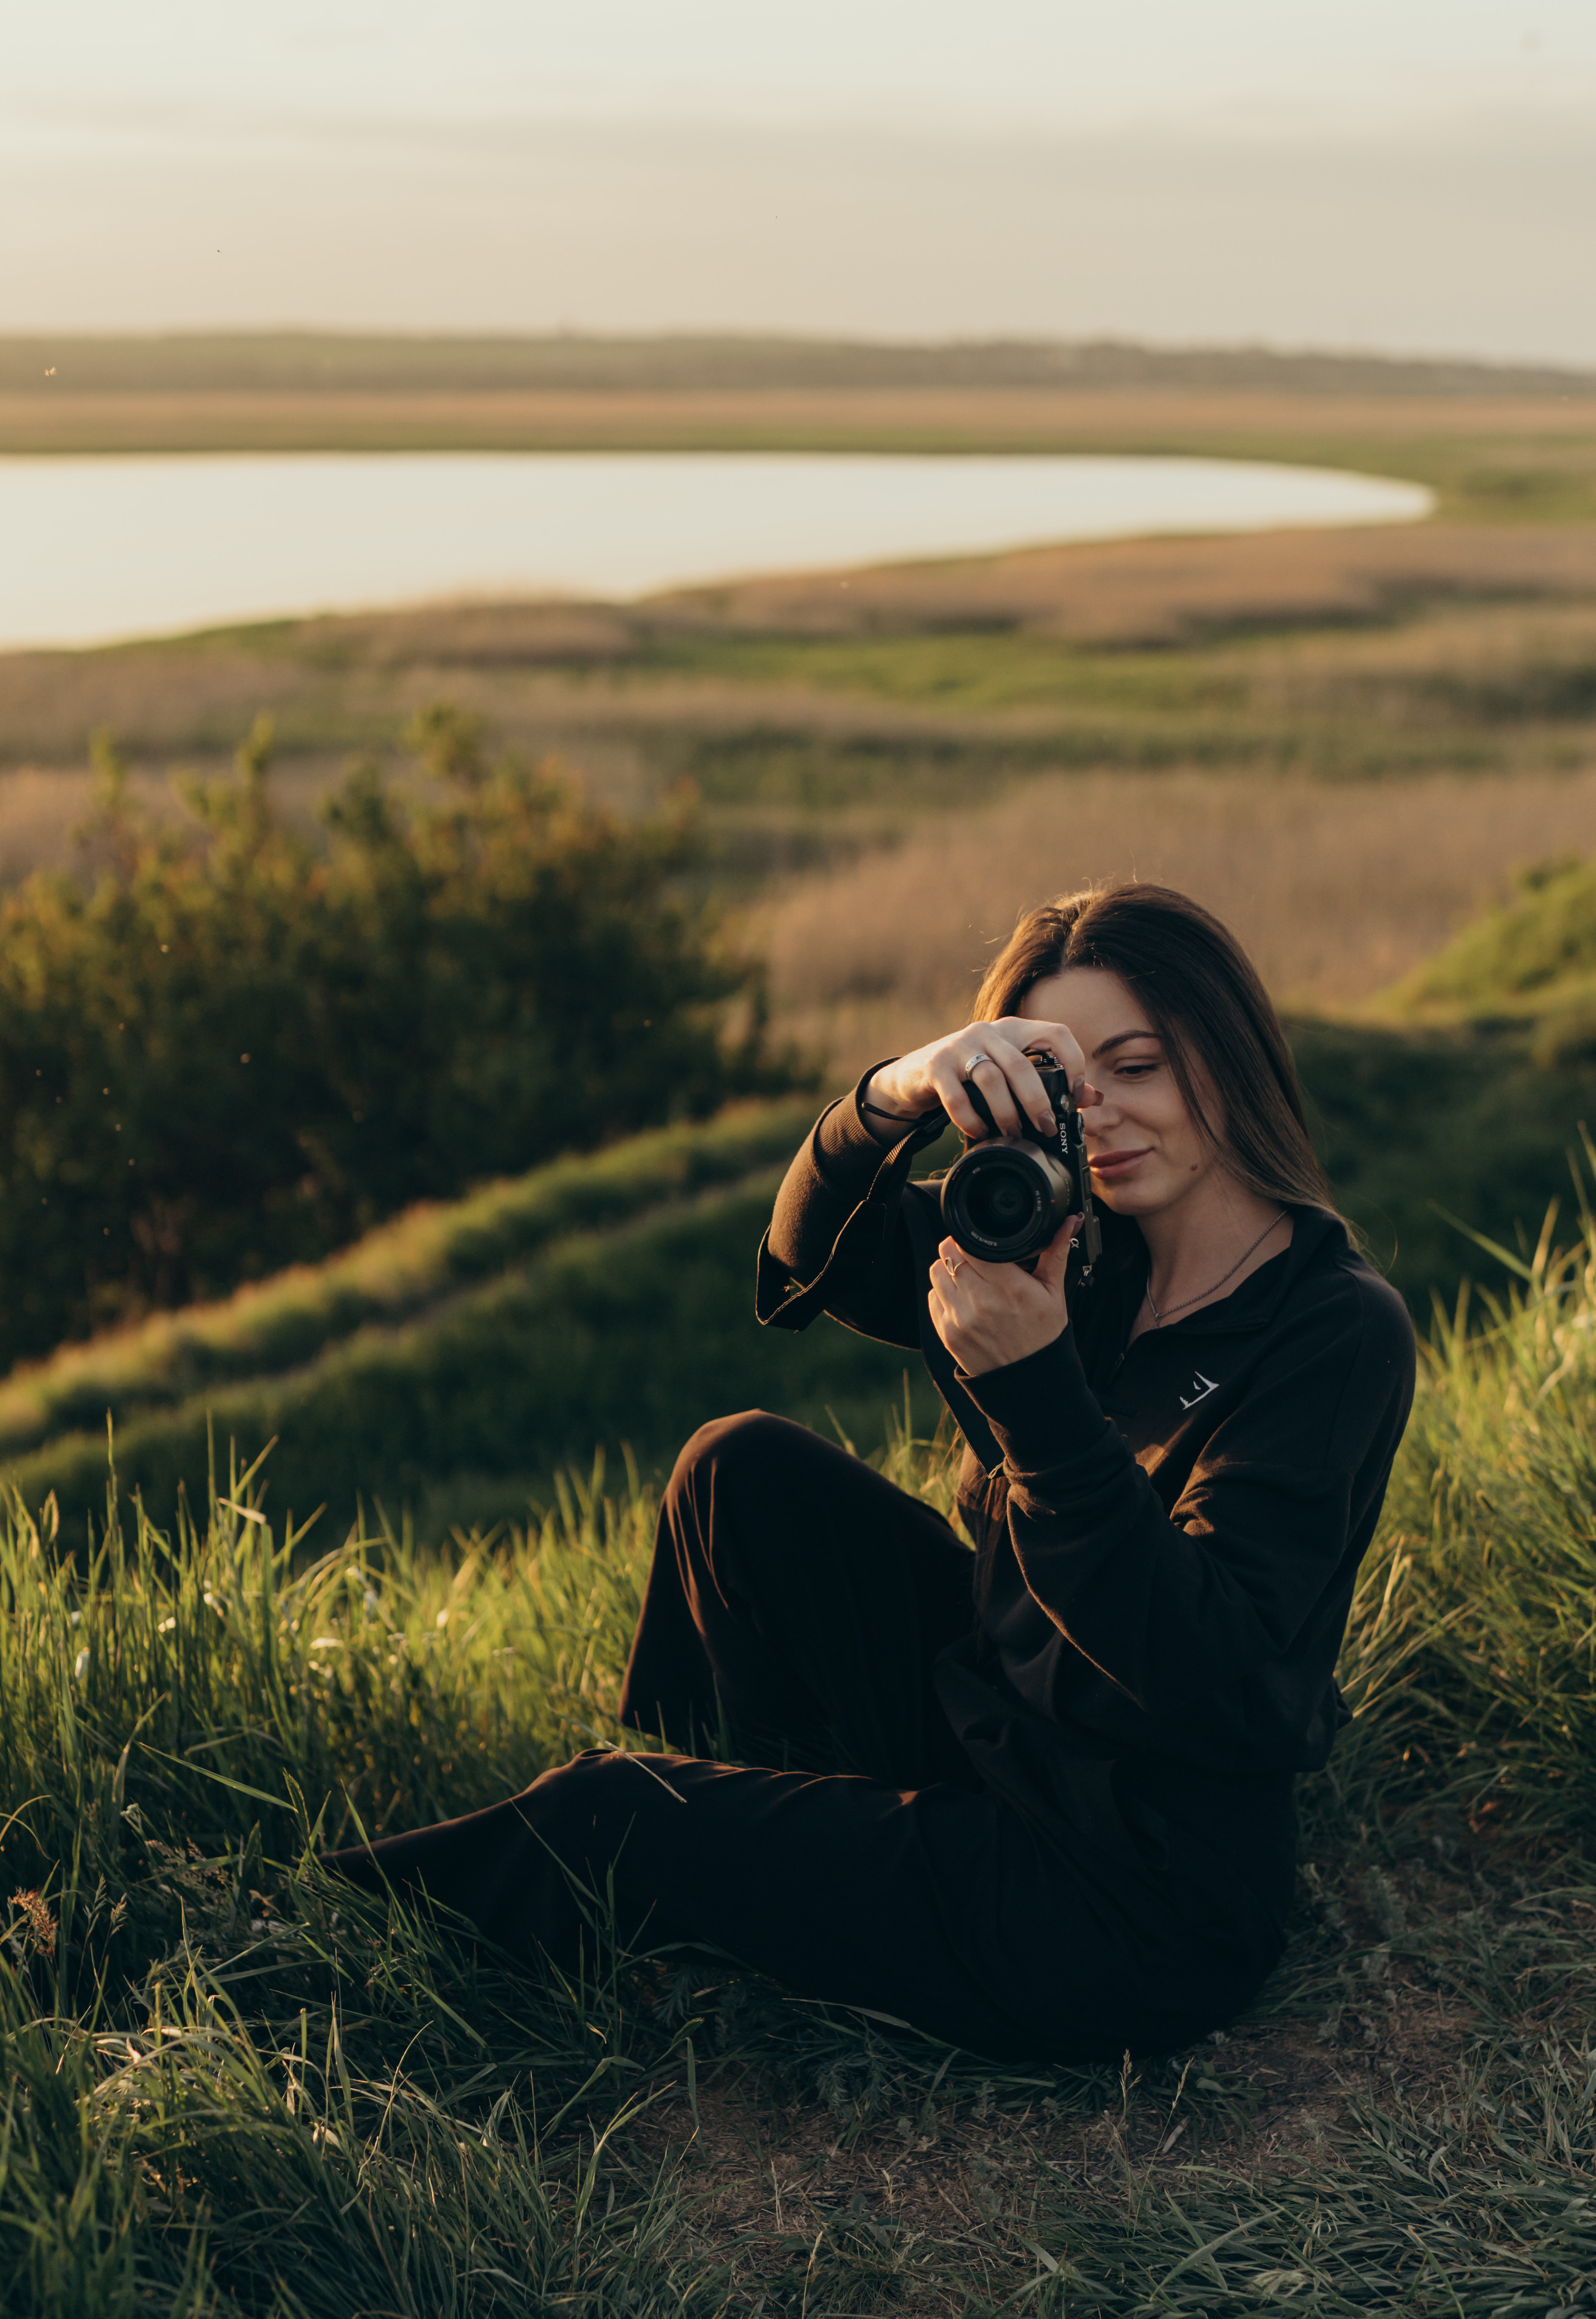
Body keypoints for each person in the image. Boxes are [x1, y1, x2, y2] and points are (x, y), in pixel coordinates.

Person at [323, 883, 1415, 2064]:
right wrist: (895, 1092)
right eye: (1064, 1086)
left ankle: (313, 1941)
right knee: (733, 1473)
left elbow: (1208, 1674)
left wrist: (1037, 1394)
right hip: (995, 1732)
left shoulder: (1329, 1329)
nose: (1101, 1116)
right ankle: (725, 1838)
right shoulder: (1066, 1240)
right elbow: (804, 1259)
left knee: (610, 1815)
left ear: (1230, 1060)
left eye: (1136, 1066)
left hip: (1130, 1890)